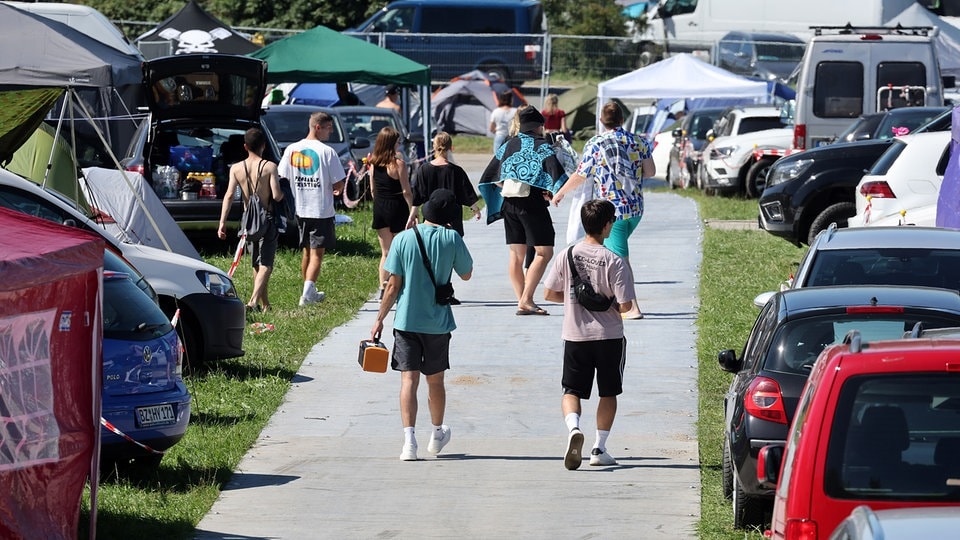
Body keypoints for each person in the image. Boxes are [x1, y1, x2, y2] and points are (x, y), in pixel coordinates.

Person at [371, 188, 474, 461]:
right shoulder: (452, 238)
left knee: (408, 379)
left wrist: (379, 319)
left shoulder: (403, 239)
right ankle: (437, 433)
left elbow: (393, 285)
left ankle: (409, 443)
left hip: (406, 320)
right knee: (435, 380)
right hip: (438, 323)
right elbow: (466, 274)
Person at [542, 199, 637, 470]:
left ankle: (573, 429)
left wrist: (574, 299)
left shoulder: (567, 254)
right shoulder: (614, 261)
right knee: (608, 392)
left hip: (575, 335)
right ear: (607, 225)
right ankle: (599, 448)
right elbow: (626, 305)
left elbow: (548, 293)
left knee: (571, 389)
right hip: (609, 337)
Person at [553, 101, 654, 320]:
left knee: (620, 259)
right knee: (614, 253)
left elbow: (581, 174)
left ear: (601, 120)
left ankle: (632, 307)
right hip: (635, 208)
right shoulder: (639, 142)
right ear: (622, 119)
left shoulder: (596, 143)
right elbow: (650, 171)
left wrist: (561, 192)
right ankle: (612, 299)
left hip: (611, 211)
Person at [478, 106, 568, 316]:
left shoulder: (509, 144)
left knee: (516, 256)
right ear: (539, 126)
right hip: (531, 204)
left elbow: (491, 176)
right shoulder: (542, 145)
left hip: (508, 203)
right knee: (544, 252)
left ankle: (522, 300)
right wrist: (552, 193)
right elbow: (557, 176)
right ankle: (526, 299)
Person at [278, 111, 346, 306]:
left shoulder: (292, 149)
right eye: (329, 128)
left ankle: (309, 289)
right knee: (318, 253)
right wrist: (336, 189)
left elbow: (283, 176)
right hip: (320, 209)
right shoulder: (327, 151)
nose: (331, 132)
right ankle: (307, 295)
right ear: (318, 127)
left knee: (307, 251)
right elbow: (339, 183)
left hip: (299, 208)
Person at [217, 127, 284, 312]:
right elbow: (277, 196)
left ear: (245, 146)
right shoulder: (269, 167)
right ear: (263, 145)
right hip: (267, 219)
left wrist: (222, 222)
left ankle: (265, 304)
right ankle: (253, 302)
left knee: (256, 263)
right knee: (266, 264)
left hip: (248, 221)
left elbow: (229, 195)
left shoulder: (236, 168)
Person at [407, 131, 481, 236]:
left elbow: (418, 195)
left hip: (431, 219)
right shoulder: (456, 171)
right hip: (452, 220)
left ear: (434, 146)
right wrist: (476, 210)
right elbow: (466, 193)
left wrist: (413, 214)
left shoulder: (424, 169)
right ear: (450, 147)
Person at [369, 126, 413, 298]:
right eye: (398, 142)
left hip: (380, 207)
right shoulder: (398, 164)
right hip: (397, 207)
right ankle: (399, 285)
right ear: (391, 144)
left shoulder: (373, 164)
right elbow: (406, 191)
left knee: (385, 252)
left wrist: (379, 203)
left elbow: (373, 190)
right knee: (400, 250)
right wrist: (412, 210)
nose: (399, 145)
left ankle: (382, 287)